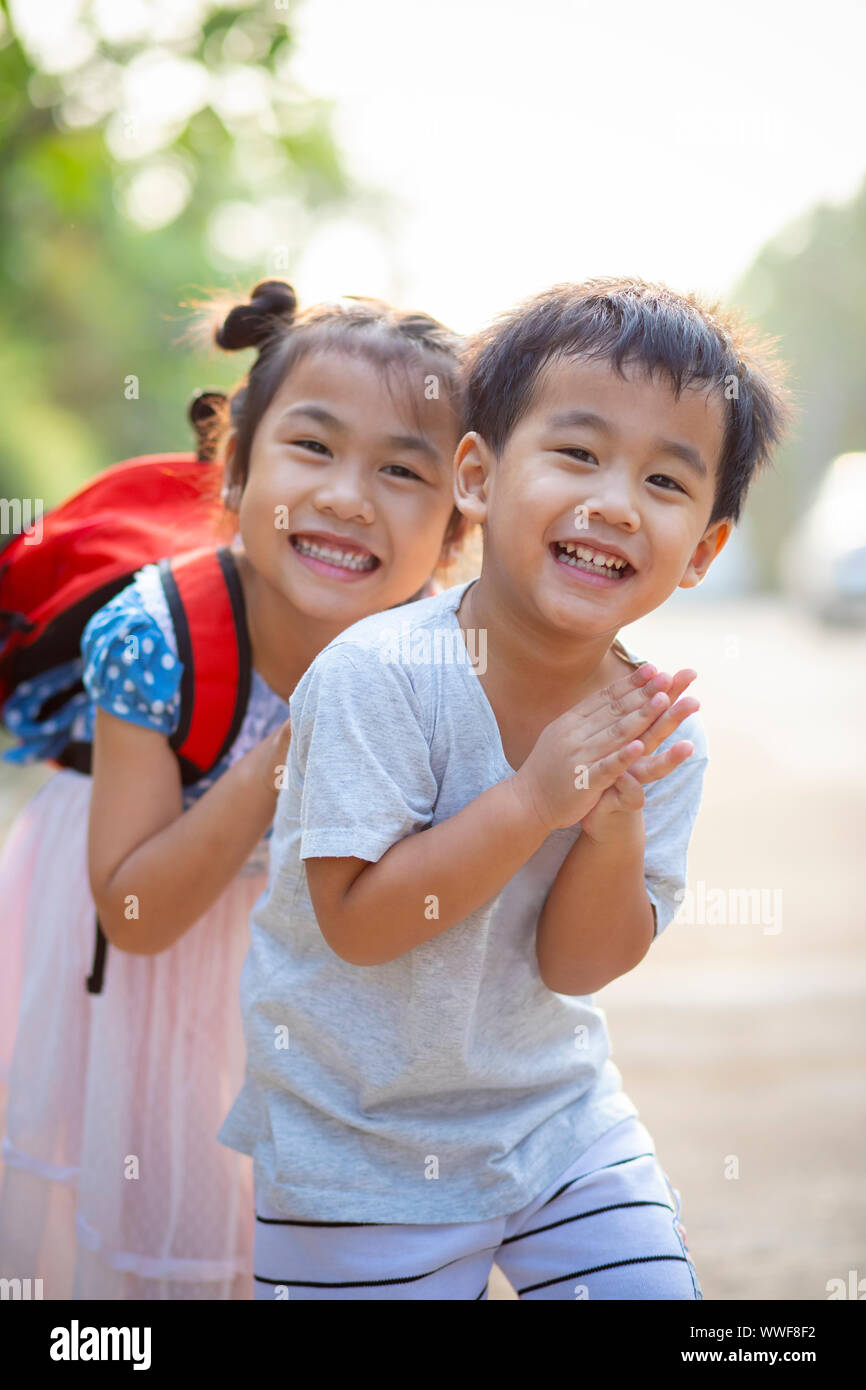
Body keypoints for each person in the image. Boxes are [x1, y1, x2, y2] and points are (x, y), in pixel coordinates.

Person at [218, 276, 790, 1300]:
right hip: (355, 1142)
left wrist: (608, 828)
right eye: (576, 453)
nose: (613, 502)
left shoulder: (653, 732)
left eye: (665, 483)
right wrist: (533, 800)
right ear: (476, 478)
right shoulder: (377, 673)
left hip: (555, 1123)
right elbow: (356, 921)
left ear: (702, 548)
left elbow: (575, 966)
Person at [0, 279, 469, 1299]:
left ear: (456, 523)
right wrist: (296, 747)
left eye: (402, 469)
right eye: (312, 447)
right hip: (131, 922)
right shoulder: (157, 638)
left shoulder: (441, 664)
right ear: (234, 468)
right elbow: (132, 913)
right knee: (142, 1217)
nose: (349, 494)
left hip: (296, 952)